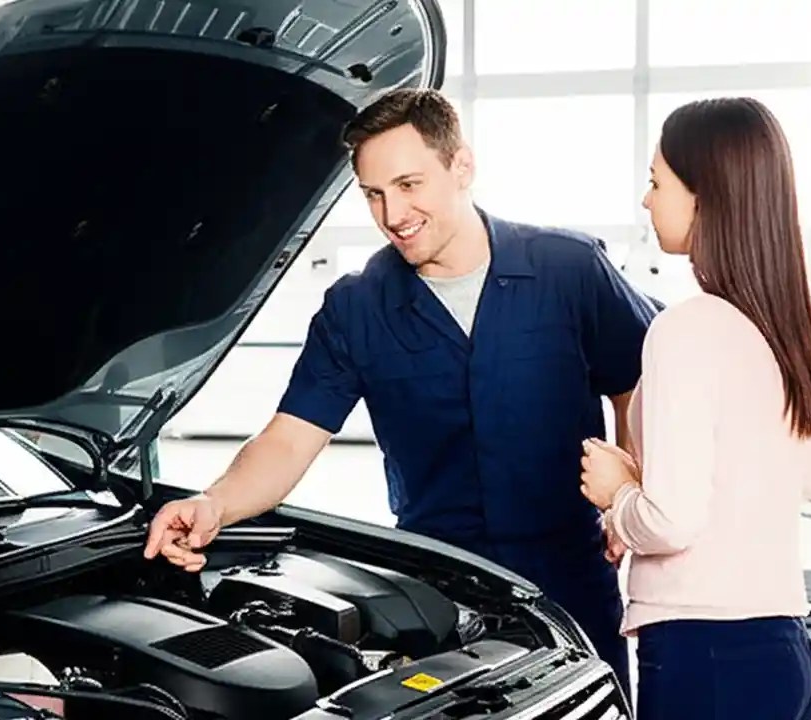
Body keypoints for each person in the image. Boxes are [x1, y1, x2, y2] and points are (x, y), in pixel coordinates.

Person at [143, 87, 657, 690]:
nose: (393, 215)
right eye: (374, 194)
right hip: (437, 588)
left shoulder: (569, 268)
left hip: (571, 579)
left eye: (409, 185)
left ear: (461, 166)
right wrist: (214, 504)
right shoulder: (355, 308)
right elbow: (288, 440)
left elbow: (639, 383)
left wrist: (632, 492)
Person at [579, 96, 811, 720]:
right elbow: (801, 479)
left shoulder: (685, 329)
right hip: (785, 650)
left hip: (707, 653)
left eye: (656, 181)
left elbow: (670, 523)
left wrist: (618, 496)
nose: (646, 200)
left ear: (705, 195)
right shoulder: (788, 330)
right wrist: (642, 488)